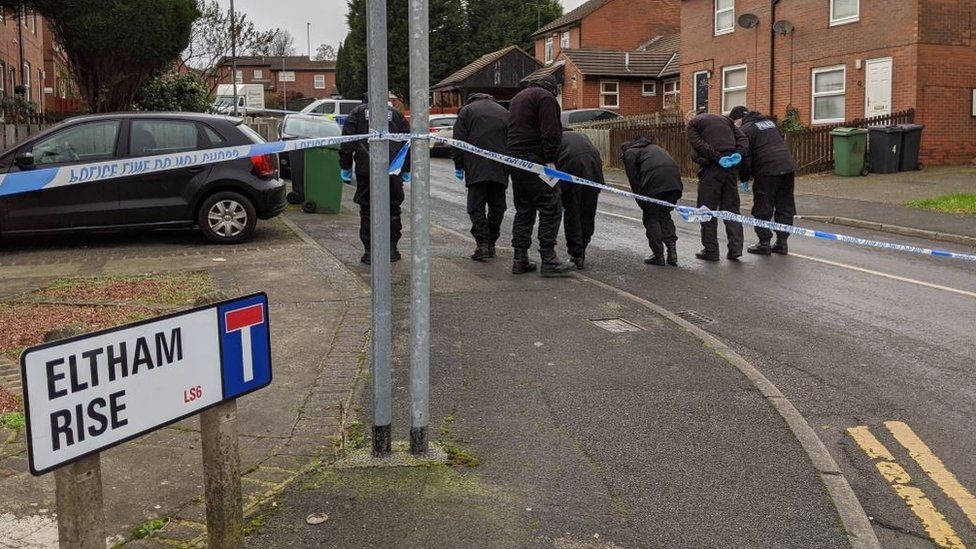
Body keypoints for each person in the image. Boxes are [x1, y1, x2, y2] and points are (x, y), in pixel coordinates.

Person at [506, 76, 574, 277]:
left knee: (524, 208)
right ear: (553, 90)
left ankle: (520, 259)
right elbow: (551, 131)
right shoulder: (545, 98)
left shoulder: (518, 98)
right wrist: (550, 159)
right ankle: (549, 259)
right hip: (535, 158)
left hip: (515, 159)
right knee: (551, 206)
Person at [339, 100, 411, 265]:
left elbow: (347, 142)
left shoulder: (357, 113)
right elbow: (407, 142)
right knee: (393, 208)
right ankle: (391, 249)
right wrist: (406, 168)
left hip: (366, 168)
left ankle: (370, 251)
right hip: (393, 169)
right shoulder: (395, 114)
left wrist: (345, 166)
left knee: (367, 209)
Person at [730, 106, 798, 256]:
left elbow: (746, 157)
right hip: (787, 167)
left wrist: (744, 178)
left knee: (763, 205)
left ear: (738, 120)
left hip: (767, 170)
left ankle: (764, 243)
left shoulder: (745, 129)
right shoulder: (769, 123)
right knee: (785, 205)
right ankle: (782, 242)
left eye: (734, 123)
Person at [452, 93, 510, 261]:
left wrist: (459, 165)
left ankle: (482, 244)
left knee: (476, 207)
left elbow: (458, 141)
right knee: (497, 207)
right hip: (501, 167)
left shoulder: (466, 111)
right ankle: (491, 243)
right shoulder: (504, 112)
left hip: (476, 168)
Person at [686, 109, 749, 261]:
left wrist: (716, 158)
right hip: (731, 167)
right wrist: (738, 154)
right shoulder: (726, 119)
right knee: (732, 209)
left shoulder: (692, 124)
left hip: (712, 170)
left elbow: (699, 146)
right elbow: (743, 139)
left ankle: (711, 251)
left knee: (706, 210)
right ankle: (735, 249)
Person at [621, 135, 683, 266]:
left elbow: (634, 179)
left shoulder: (630, 153)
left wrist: (641, 200)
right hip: (674, 184)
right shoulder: (654, 148)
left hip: (654, 184)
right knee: (665, 215)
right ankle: (672, 252)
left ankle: (658, 255)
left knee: (651, 216)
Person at [556, 127, 603, 270]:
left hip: (571, 168)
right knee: (588, 212)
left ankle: (577, 254)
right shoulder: (581, 136)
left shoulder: (556, 139)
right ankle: (582, 247)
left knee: (573, 212)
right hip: (593, 169)